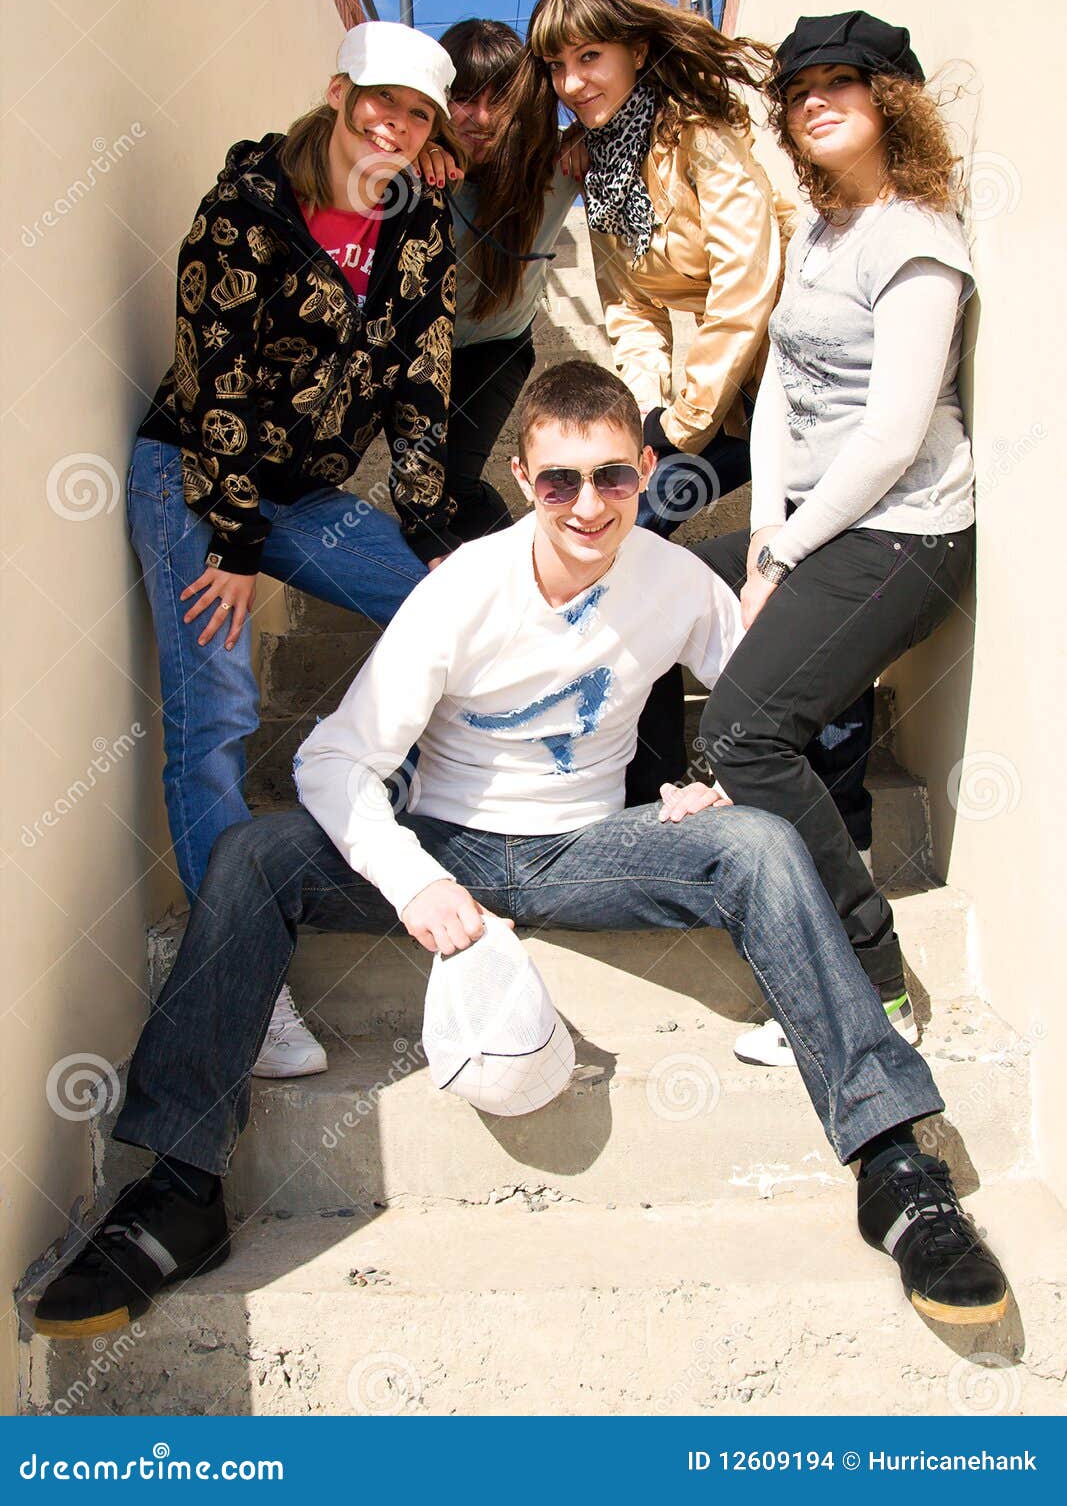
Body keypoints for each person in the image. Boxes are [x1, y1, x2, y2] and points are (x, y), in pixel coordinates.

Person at [33, 362, 1006, 1339]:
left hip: (590, 845)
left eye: (613, 478)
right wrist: (413, 881)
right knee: (251, 856)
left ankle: (895, 1169)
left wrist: (722, 776)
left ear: (644, 470)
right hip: (449, 842)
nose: (587, 507)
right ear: (521, 473)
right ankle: (178, 1190)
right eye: (558, 482)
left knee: (755, 843)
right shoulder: (463, 589)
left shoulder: (672, 581)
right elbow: (334, 762)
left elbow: (755, 700)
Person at [127, 21, 462, 1079]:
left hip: (303, 493)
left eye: (417, 114)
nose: (395, 128)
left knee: (436, 618)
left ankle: (394, 841)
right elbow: (213, 370)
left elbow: (420, 383)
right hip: (192, 478)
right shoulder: (247, 205)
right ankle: (247, 979)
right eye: (380, 102)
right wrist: (229, 539)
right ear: (337, 92)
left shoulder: (419, 225)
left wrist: (428, 529)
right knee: (218, 708)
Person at [695, 11, 978, 1067]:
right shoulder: (819, 232)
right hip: (817, 525)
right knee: (647, 579)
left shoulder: (914, 239)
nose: (813, 100)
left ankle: (871, 984)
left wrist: (781, 556)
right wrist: (762, 527)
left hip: (903, 534)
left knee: (744, 731)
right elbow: (775, 392)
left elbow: (892, 437)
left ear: (888, 101)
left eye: (840, 84)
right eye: (798, 88)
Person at [525, 0, 792, 802]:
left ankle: (746, 770)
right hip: (711, 402)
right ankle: (652, 784)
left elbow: (748, 282)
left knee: (773, 566)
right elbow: (628, 306)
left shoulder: (700, 134)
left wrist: (679, 423)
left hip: (790, 392)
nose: (571, 83)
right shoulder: (604, 165)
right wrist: (645, 412)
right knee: (626, 548)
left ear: (637, 50)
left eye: (589, 60)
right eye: (557, 68)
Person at [426, 18, 578, 543]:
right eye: (464, 98)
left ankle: (520, 578)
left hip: (496, 349)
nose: (482, 118)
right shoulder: (413, 164)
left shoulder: (554, 164)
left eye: (500, 99)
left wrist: (586, 134)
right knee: (424, 484)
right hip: (418, 350)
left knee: (456, 482)